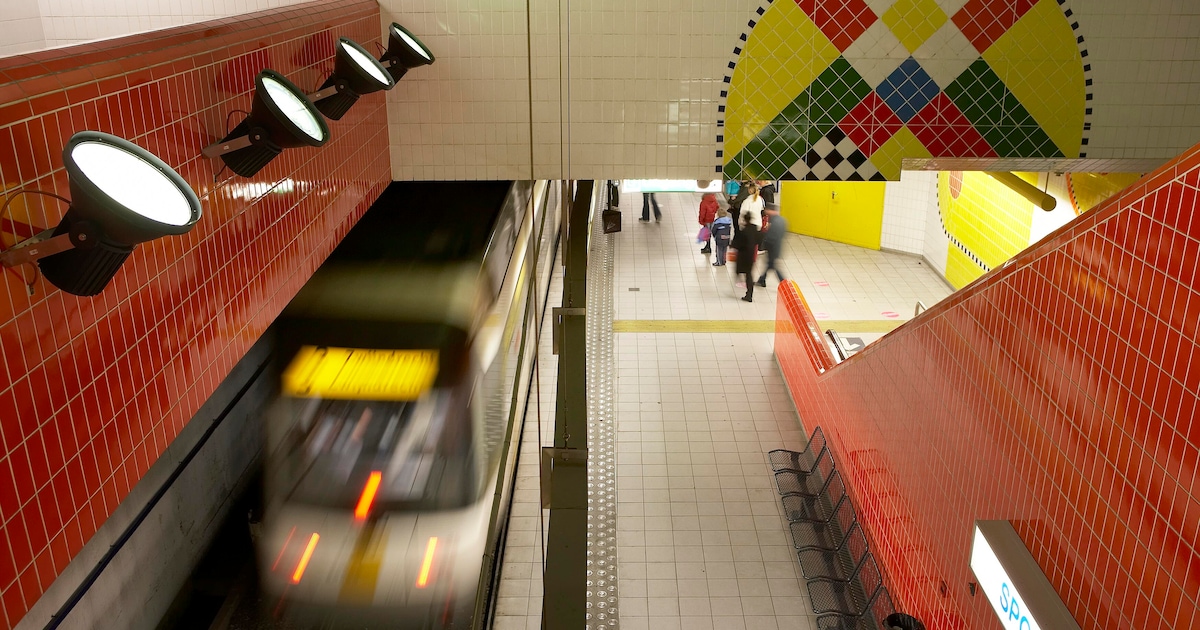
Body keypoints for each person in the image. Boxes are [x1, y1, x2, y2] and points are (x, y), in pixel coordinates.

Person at [730, 211, 760, 302]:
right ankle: (749, 293)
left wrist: (732, 245)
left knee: (741, 270)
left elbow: (738, 244)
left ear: (744, 220)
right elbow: (759, 239)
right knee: (749, 274)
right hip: (751, 255)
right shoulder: (754, 229)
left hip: (743, 255)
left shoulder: (743, 231)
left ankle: (747, 293)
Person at [757, 206, 787, 286]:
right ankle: (762, 280)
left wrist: (764, 245)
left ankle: (784, 282)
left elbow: (771, 237)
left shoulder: (775, 222)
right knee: (770, 265)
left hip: (772, 248)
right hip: (777, 247)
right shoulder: (782, 220)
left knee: (773, 265)